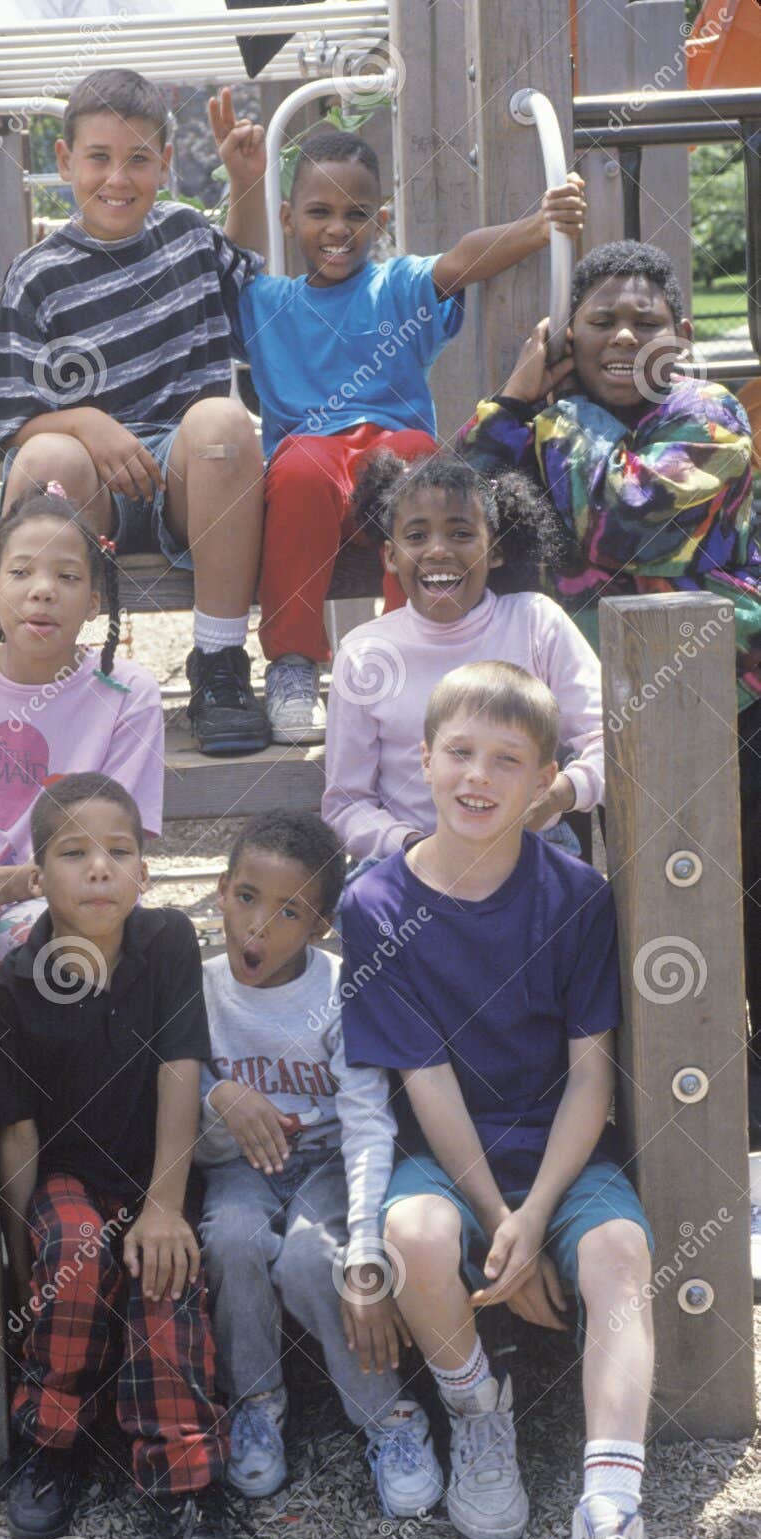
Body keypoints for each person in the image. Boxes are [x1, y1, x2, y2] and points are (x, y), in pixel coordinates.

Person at [340, 660, 658, 1539]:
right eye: (461, 754)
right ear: (423, 761)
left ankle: (610, 1516)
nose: (479, 778)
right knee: (415, 1237)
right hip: (449, 1154)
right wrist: (496, 1218)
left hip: (558, 1145)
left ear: (543, 782)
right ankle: (480, 1412)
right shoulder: (378, 905)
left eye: (508, 761)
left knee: (621, 1256)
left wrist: (540, 1212)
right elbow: (426, 1083)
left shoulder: (574, 896)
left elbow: (591, 1071)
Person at [458, 238, 761, 1123]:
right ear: (565, 337)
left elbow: (624, 524)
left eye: (646, 320)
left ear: (683, 332)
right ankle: (660, 1128)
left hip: (731, 704)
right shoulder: (546, 422)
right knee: (633, 925)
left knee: (742, 915)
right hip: (597, 715)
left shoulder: (710, 414)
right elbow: (460, 509)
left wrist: (547, 416)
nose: (624, 337)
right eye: (601, 322)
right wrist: (513, 398)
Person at [237, 130, 586, 743]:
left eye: (356, 214)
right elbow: (232, 267)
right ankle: (293, 665)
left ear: (382, 219)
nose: (337, 228)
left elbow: (461, 259)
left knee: (421, 461)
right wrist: (243, 182)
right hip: (311, 480)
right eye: (319, 212)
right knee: (297, 468)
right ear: (289, 219)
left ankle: (416, 642)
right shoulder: (271, 301)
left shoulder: (394, 287)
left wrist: (537, 227)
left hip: (389, 470)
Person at [0, 772, 238, 1539]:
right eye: (74, 852)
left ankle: (190, 1485)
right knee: (70, 1253)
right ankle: (51, 1445)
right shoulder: (13, 985)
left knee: (166, 1288)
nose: (99, 868)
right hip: (67, 1179)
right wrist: (22, 1254)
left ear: (143, 873)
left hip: (155, 1175)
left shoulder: (165, 944)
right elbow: (18, 1133)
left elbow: (179, 1072)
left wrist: (166, 1206)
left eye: (119, 852)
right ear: (36, 877)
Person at [0, 68, 271, 757]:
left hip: (186, 482)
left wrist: (247, 184)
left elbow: (251, 284)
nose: (119, 177)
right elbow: (8, 423)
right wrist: (85, 421)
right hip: (94, 493)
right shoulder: (39, 274)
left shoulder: (186, 237)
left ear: (166, 164)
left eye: (139, 159)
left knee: (225, 425)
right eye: (99, 158)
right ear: (64, 162)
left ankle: (221, 665)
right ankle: (38, 676)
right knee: (46, 457)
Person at [196, 810, 417, 1513]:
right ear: (220, 890)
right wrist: (218, 1093)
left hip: (326, 1163)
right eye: (247, 898)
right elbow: (162, 1071)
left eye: (289, 911)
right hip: (237, 1167)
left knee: (310, 1258)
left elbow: (364, 1117)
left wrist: (366, 1240)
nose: (258, 926)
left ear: (320, 925)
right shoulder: (197, 986)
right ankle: (256, 1401)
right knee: (230, 1240)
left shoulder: (339, 989)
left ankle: (388, 1417)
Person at [322, 456, 604, 863]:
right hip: (408, 860)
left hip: (532, 850)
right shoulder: (365, 654)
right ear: (389, 555)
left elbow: (611, 739)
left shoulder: (536, 623)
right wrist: (416, 849)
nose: (438, 550)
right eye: (416, 536)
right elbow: (347, 804)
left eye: (460, 533)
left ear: (495, 551)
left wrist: (561, 793)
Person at [0, 480, 163, 968]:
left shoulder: (126, 693)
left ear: (95, 603)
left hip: (83, 895)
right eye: (21, 572)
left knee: (41, 937)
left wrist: (7, 884)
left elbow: (115, 844)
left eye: (68, 577)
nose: (43, 591)